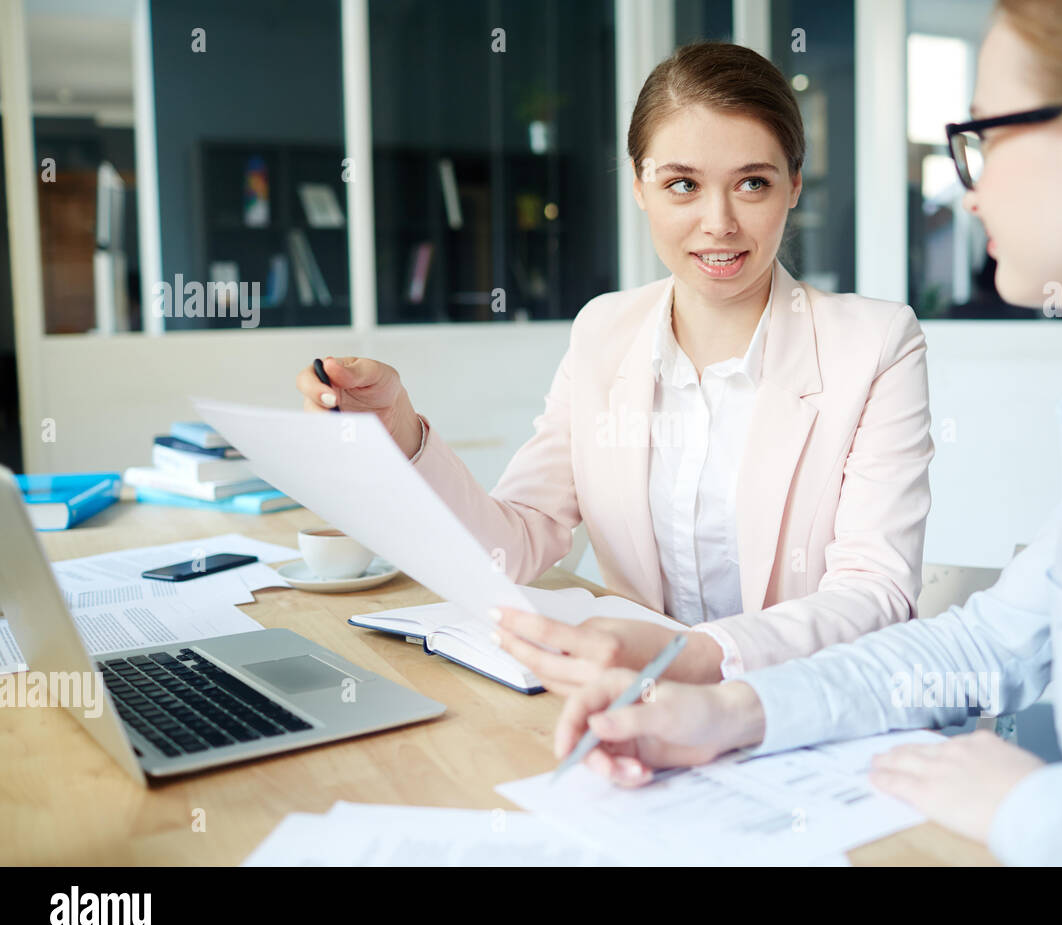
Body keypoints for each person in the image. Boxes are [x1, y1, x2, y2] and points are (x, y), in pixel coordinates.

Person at [542, 0, 1062, 865]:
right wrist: (730, 713)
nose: (968, 187)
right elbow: (982, 643)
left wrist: (1029, 805)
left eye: (984, 137)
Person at [296, 43, 935, 694]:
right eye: (682, 184)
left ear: (793, 185)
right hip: (634, 708)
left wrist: (690, 656)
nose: (718, 224)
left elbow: (874, 592)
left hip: (795, 710)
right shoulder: (604, 330)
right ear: (639, 185)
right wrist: (401, 430)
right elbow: (513, 545)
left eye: (752, 183)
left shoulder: (876, 343)